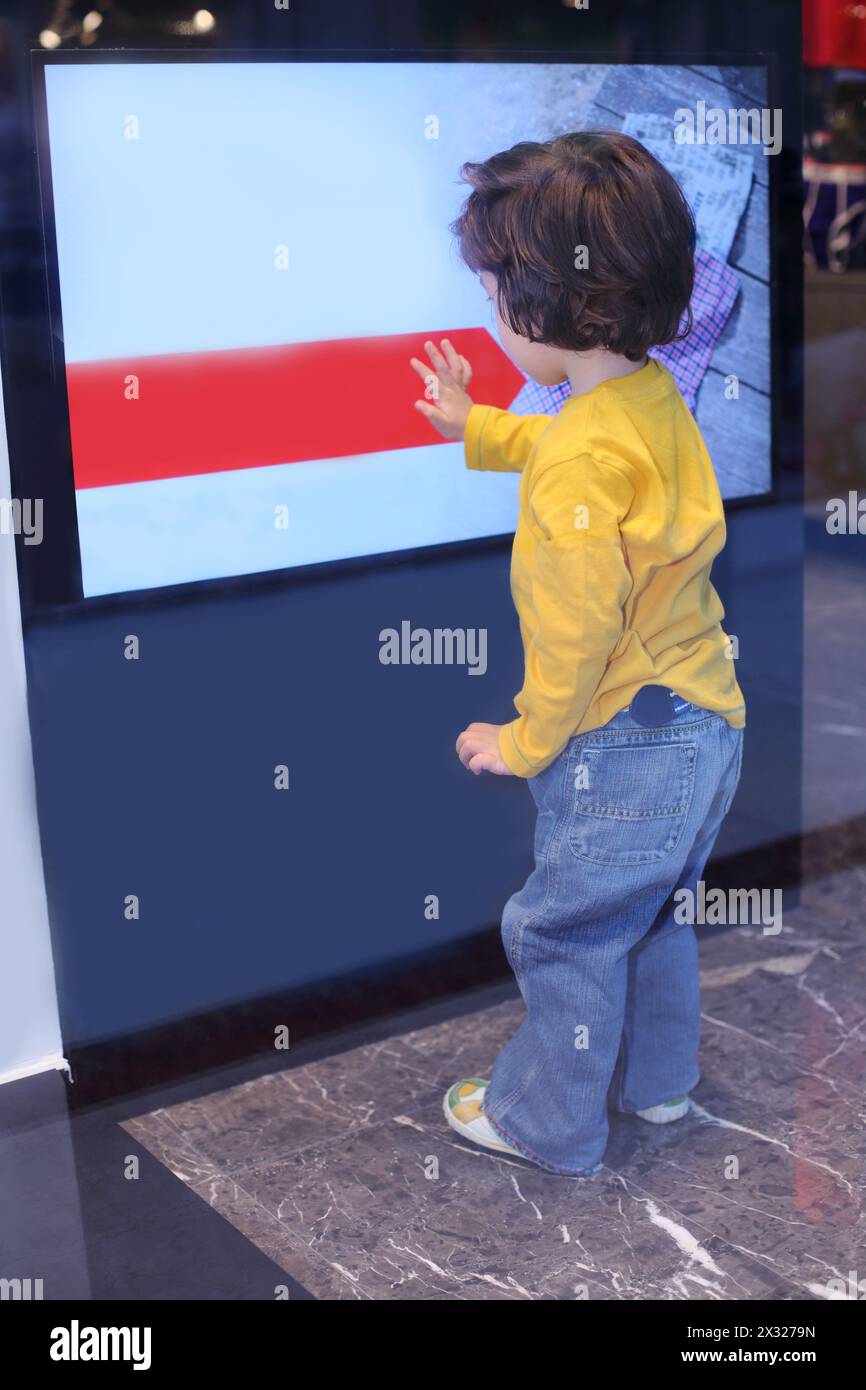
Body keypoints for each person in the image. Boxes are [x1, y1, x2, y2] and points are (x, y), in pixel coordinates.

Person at [410, 131, 745, 1176]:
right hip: (703, 721)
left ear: (541, 307)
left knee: (562, 933)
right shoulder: (645, 394)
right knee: (648, 918)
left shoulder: (575, 471)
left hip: (621, 746)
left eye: (493, 295)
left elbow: (572, 634)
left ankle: (544, 1120)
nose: (489, 316)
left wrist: (522, 740)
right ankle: (656, 1086)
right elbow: (571, 442)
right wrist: (477, 427)